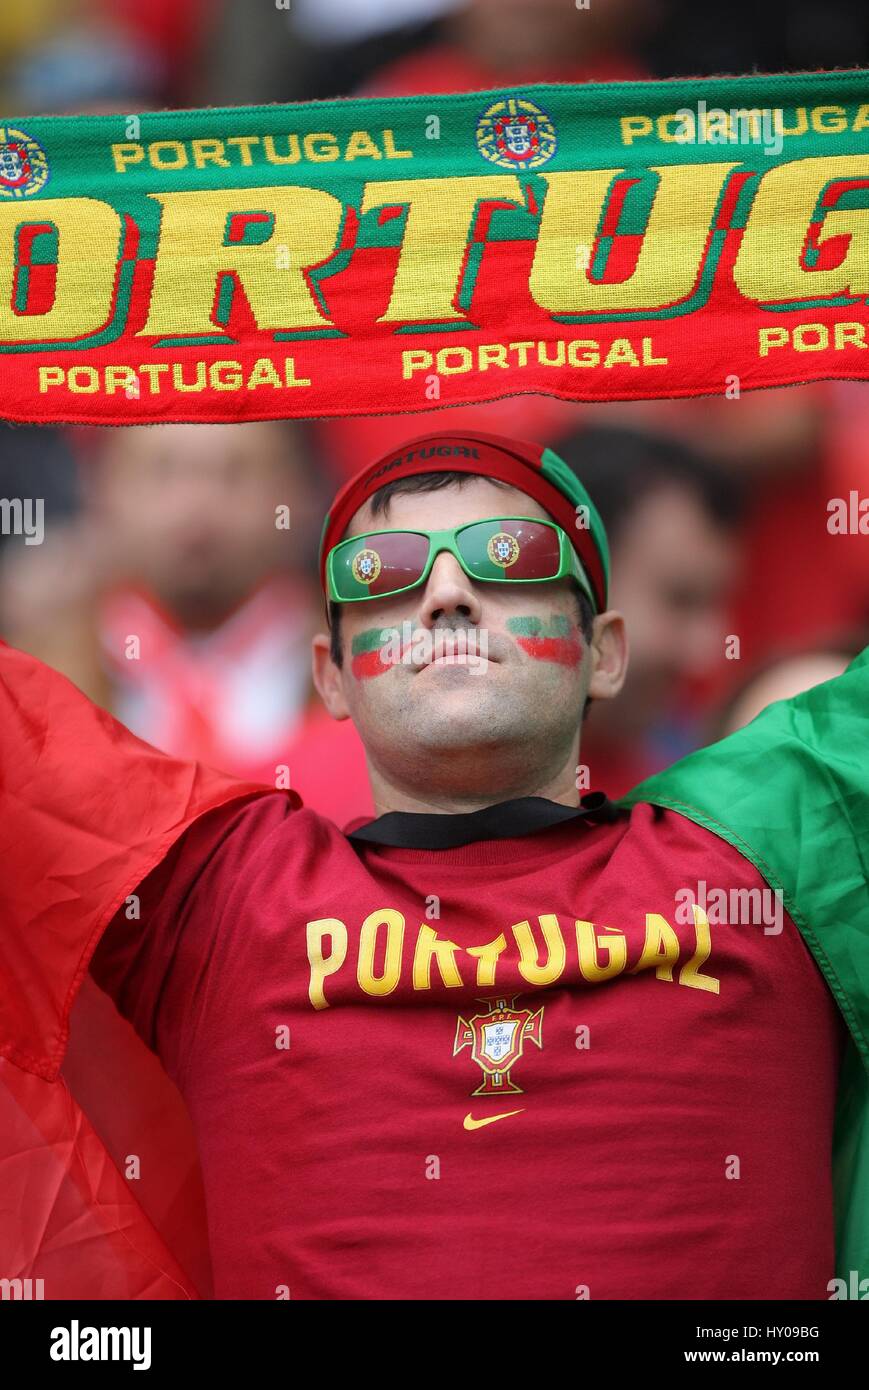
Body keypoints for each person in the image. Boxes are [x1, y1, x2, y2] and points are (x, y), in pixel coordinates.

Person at [1, 430, 867, 1300]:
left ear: (604, 651)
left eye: (510, 558)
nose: (448, 592)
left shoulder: (765, 843)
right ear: (330, 676)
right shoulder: (223, 897)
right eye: (379, 574)